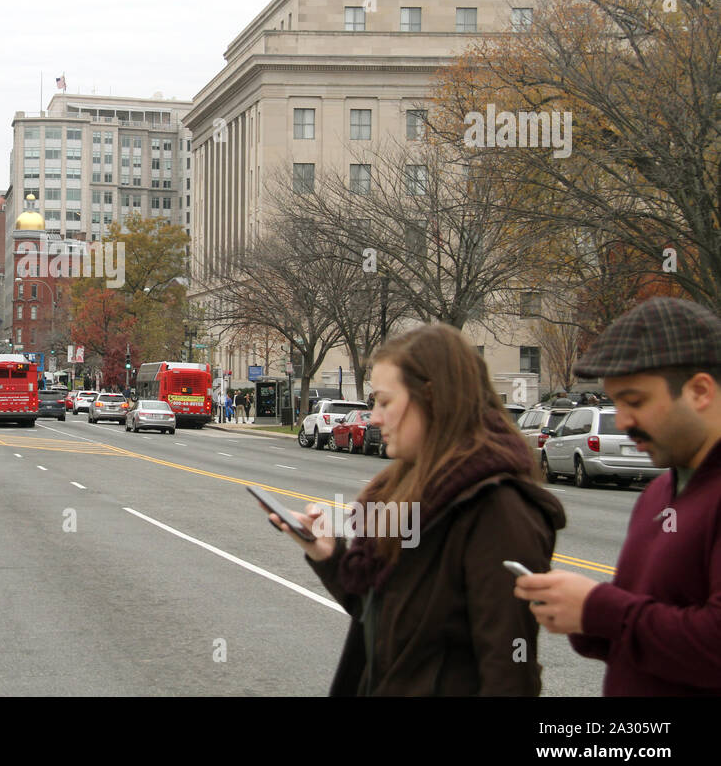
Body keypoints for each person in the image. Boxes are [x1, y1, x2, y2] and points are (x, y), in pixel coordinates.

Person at [263, 323, 565, 694]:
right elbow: (382, 619)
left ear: (433, 400)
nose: (373, 416)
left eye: (386, 402)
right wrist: (328, 553)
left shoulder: (499, 510)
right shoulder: (406, 490)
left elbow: (509, 673)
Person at [514, 297, 721, 695]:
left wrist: (598, 608)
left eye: (635, 401)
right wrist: (583, 619)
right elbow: (646, 633)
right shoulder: (659, 491)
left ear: (699, 391)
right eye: (616, 402)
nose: (623, 422)